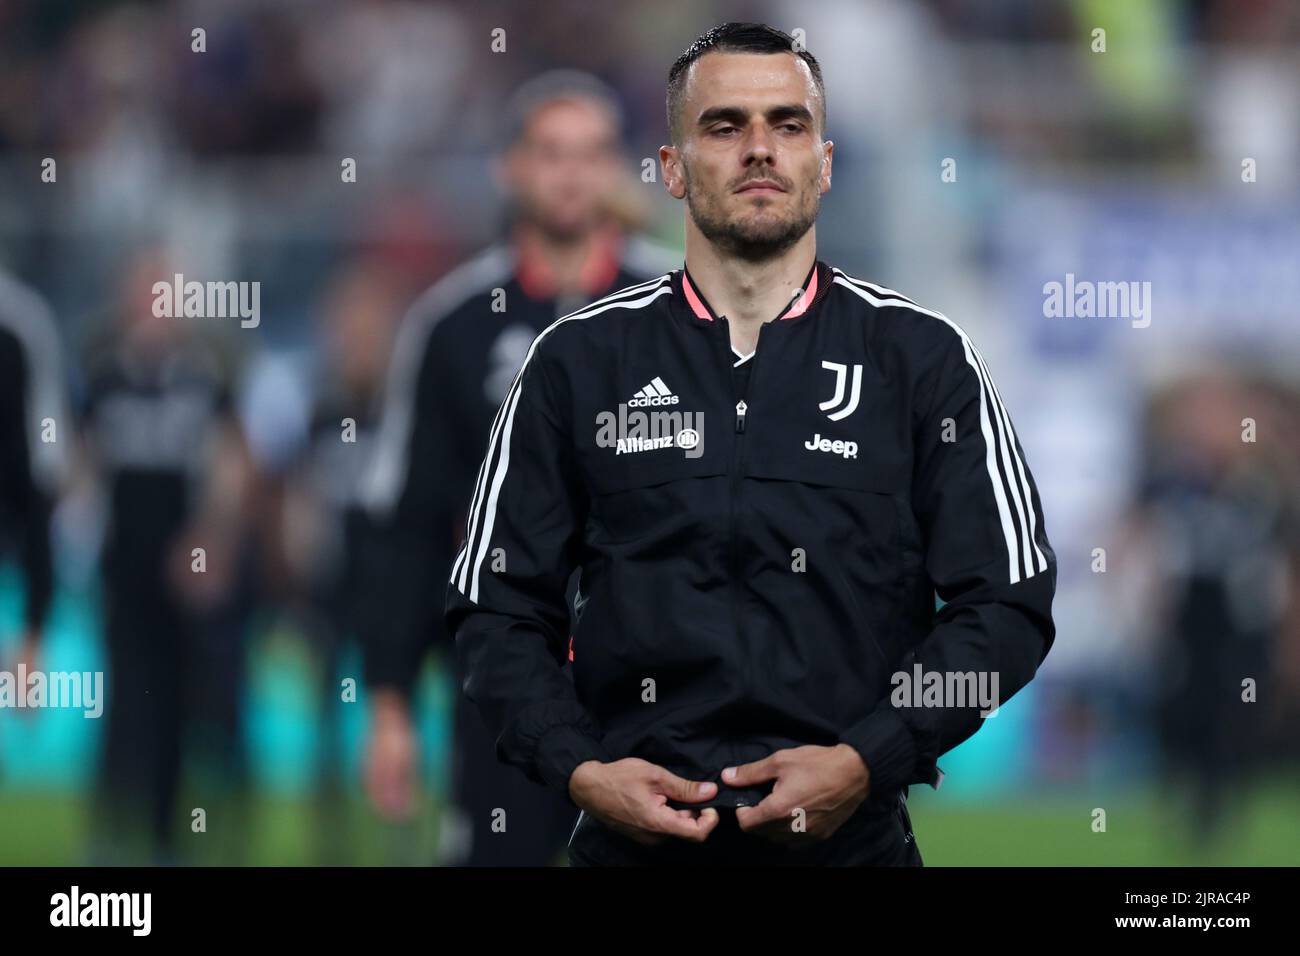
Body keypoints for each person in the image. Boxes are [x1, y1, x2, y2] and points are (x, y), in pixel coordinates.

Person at [445, 23, 1057, 866]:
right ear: (669, 168)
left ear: (826, 162)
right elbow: (496, 608)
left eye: (789, 125)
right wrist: (582, 768)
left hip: (854, 846)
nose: (760, 149)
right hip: (631, 849)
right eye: (725, 126)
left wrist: (867, 756)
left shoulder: (920, 360)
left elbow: (1010, 606)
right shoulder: (578, 364)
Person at [361, 71, 675, 865]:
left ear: (617, 168)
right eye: (550, 152)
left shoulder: (679, 309)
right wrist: (392, 702)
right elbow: (415, 523)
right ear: (510, 168)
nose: (571, 172)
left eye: (592, 152)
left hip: (660, 683)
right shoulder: (452, 324)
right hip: (505, 688)